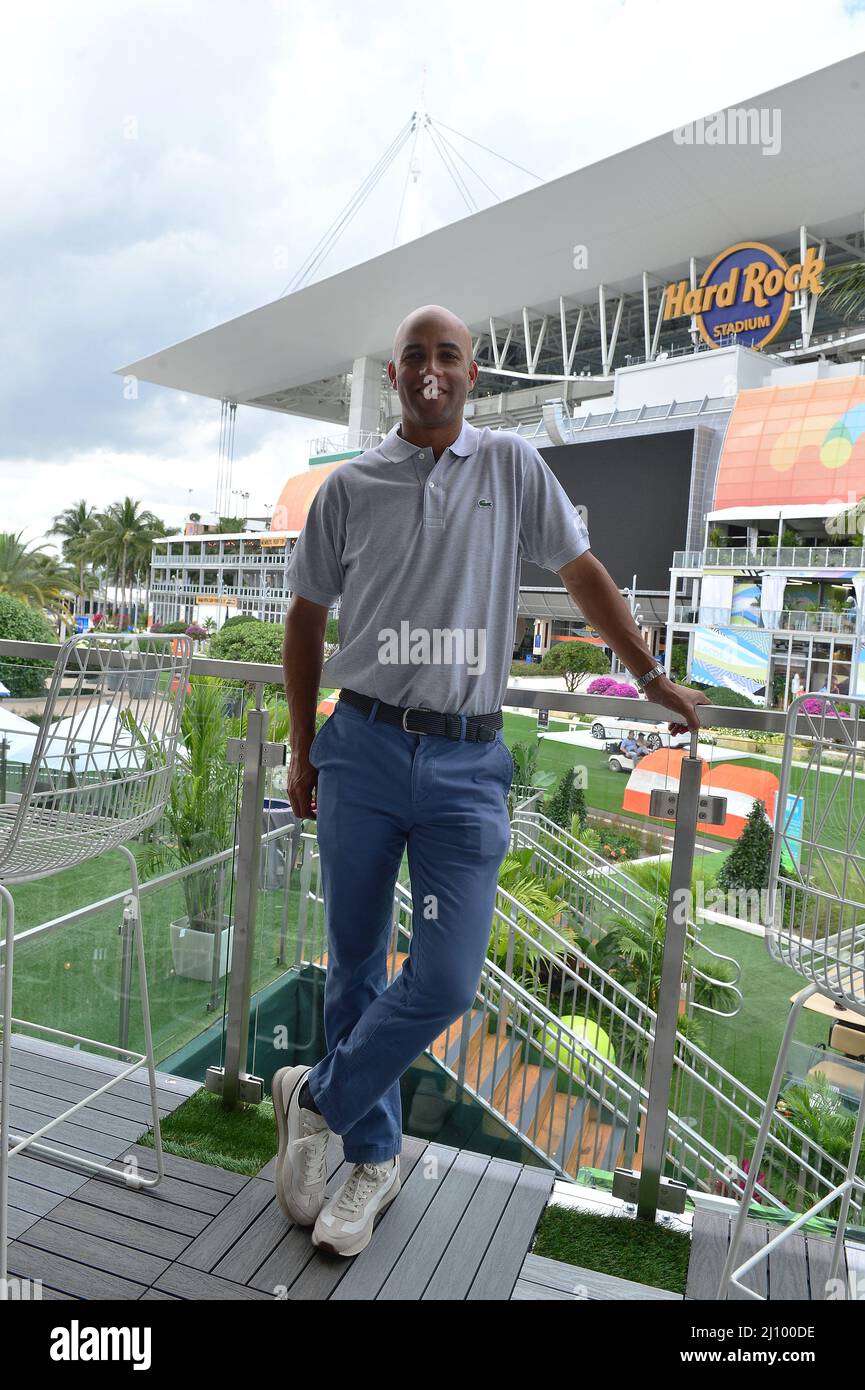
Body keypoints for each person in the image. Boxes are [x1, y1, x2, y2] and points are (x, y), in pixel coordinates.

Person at [274, 304, 709, 1258]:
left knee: (444, 976)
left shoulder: (511, 467)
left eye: (449, 357)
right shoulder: (349, 486)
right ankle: (371, 1159)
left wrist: (645, 672)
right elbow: (304, 621)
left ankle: (316, 1096)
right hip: (362, 748)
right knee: (352, 963)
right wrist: (304, 748)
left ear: (473, 375)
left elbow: (582, 570)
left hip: (468, 762)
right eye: (414, 358)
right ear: (394, 378)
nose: (432, 371)